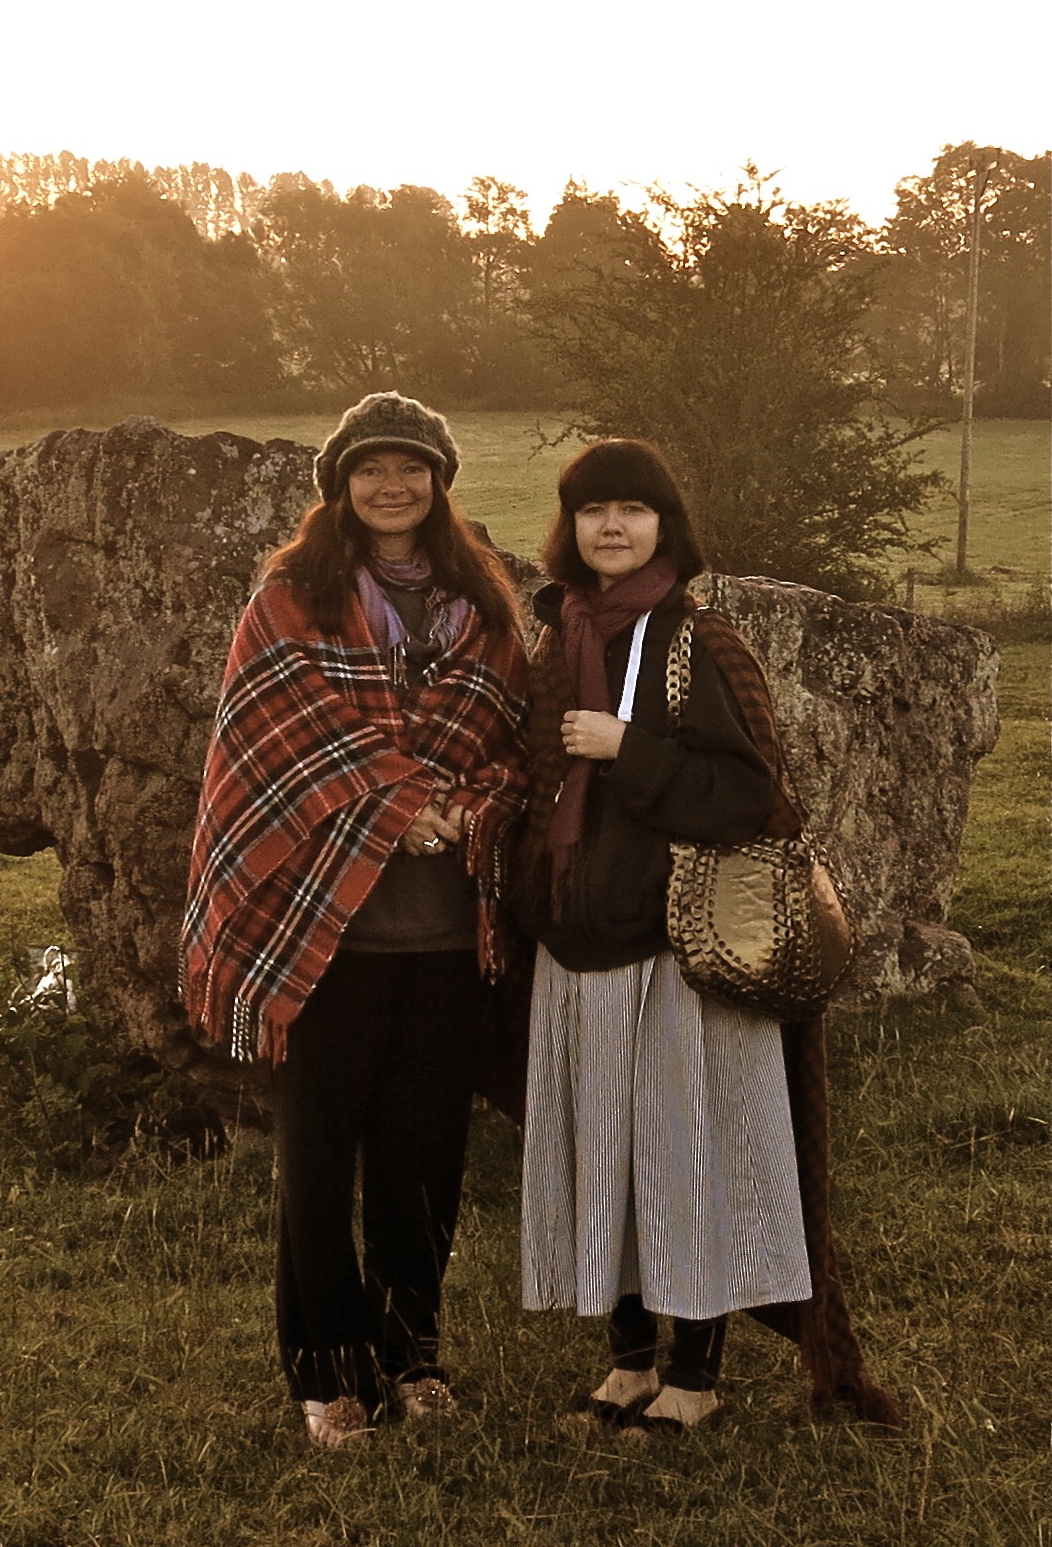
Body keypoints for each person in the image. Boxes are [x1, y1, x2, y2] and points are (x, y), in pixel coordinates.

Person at [513, 438, 901, 1436]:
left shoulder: (701, 641)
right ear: (570, 528)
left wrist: (628, 750)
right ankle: (630, 1364)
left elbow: (748, 797)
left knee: (683, 1161)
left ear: (664, 527)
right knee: (610, 1158)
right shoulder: (555, 638)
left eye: (632, 510)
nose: (610, 525)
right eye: (592, 509)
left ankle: (695, 1373)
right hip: (580, 947)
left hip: (677, 952)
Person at [181, 392, 532, 1449]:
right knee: (319, 1159)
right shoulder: (288, 601)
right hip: (319, 942)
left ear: (440, 483)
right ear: (340, 484)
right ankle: (328, 1371)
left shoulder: (484, 611)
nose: (392, 486)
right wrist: (400, 799)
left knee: (426, 1159)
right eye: (371, 468)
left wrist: (469, 807)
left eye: (411, 468)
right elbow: (276, 736)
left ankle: (412, 1353)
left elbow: (517, 749)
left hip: (440, 939)